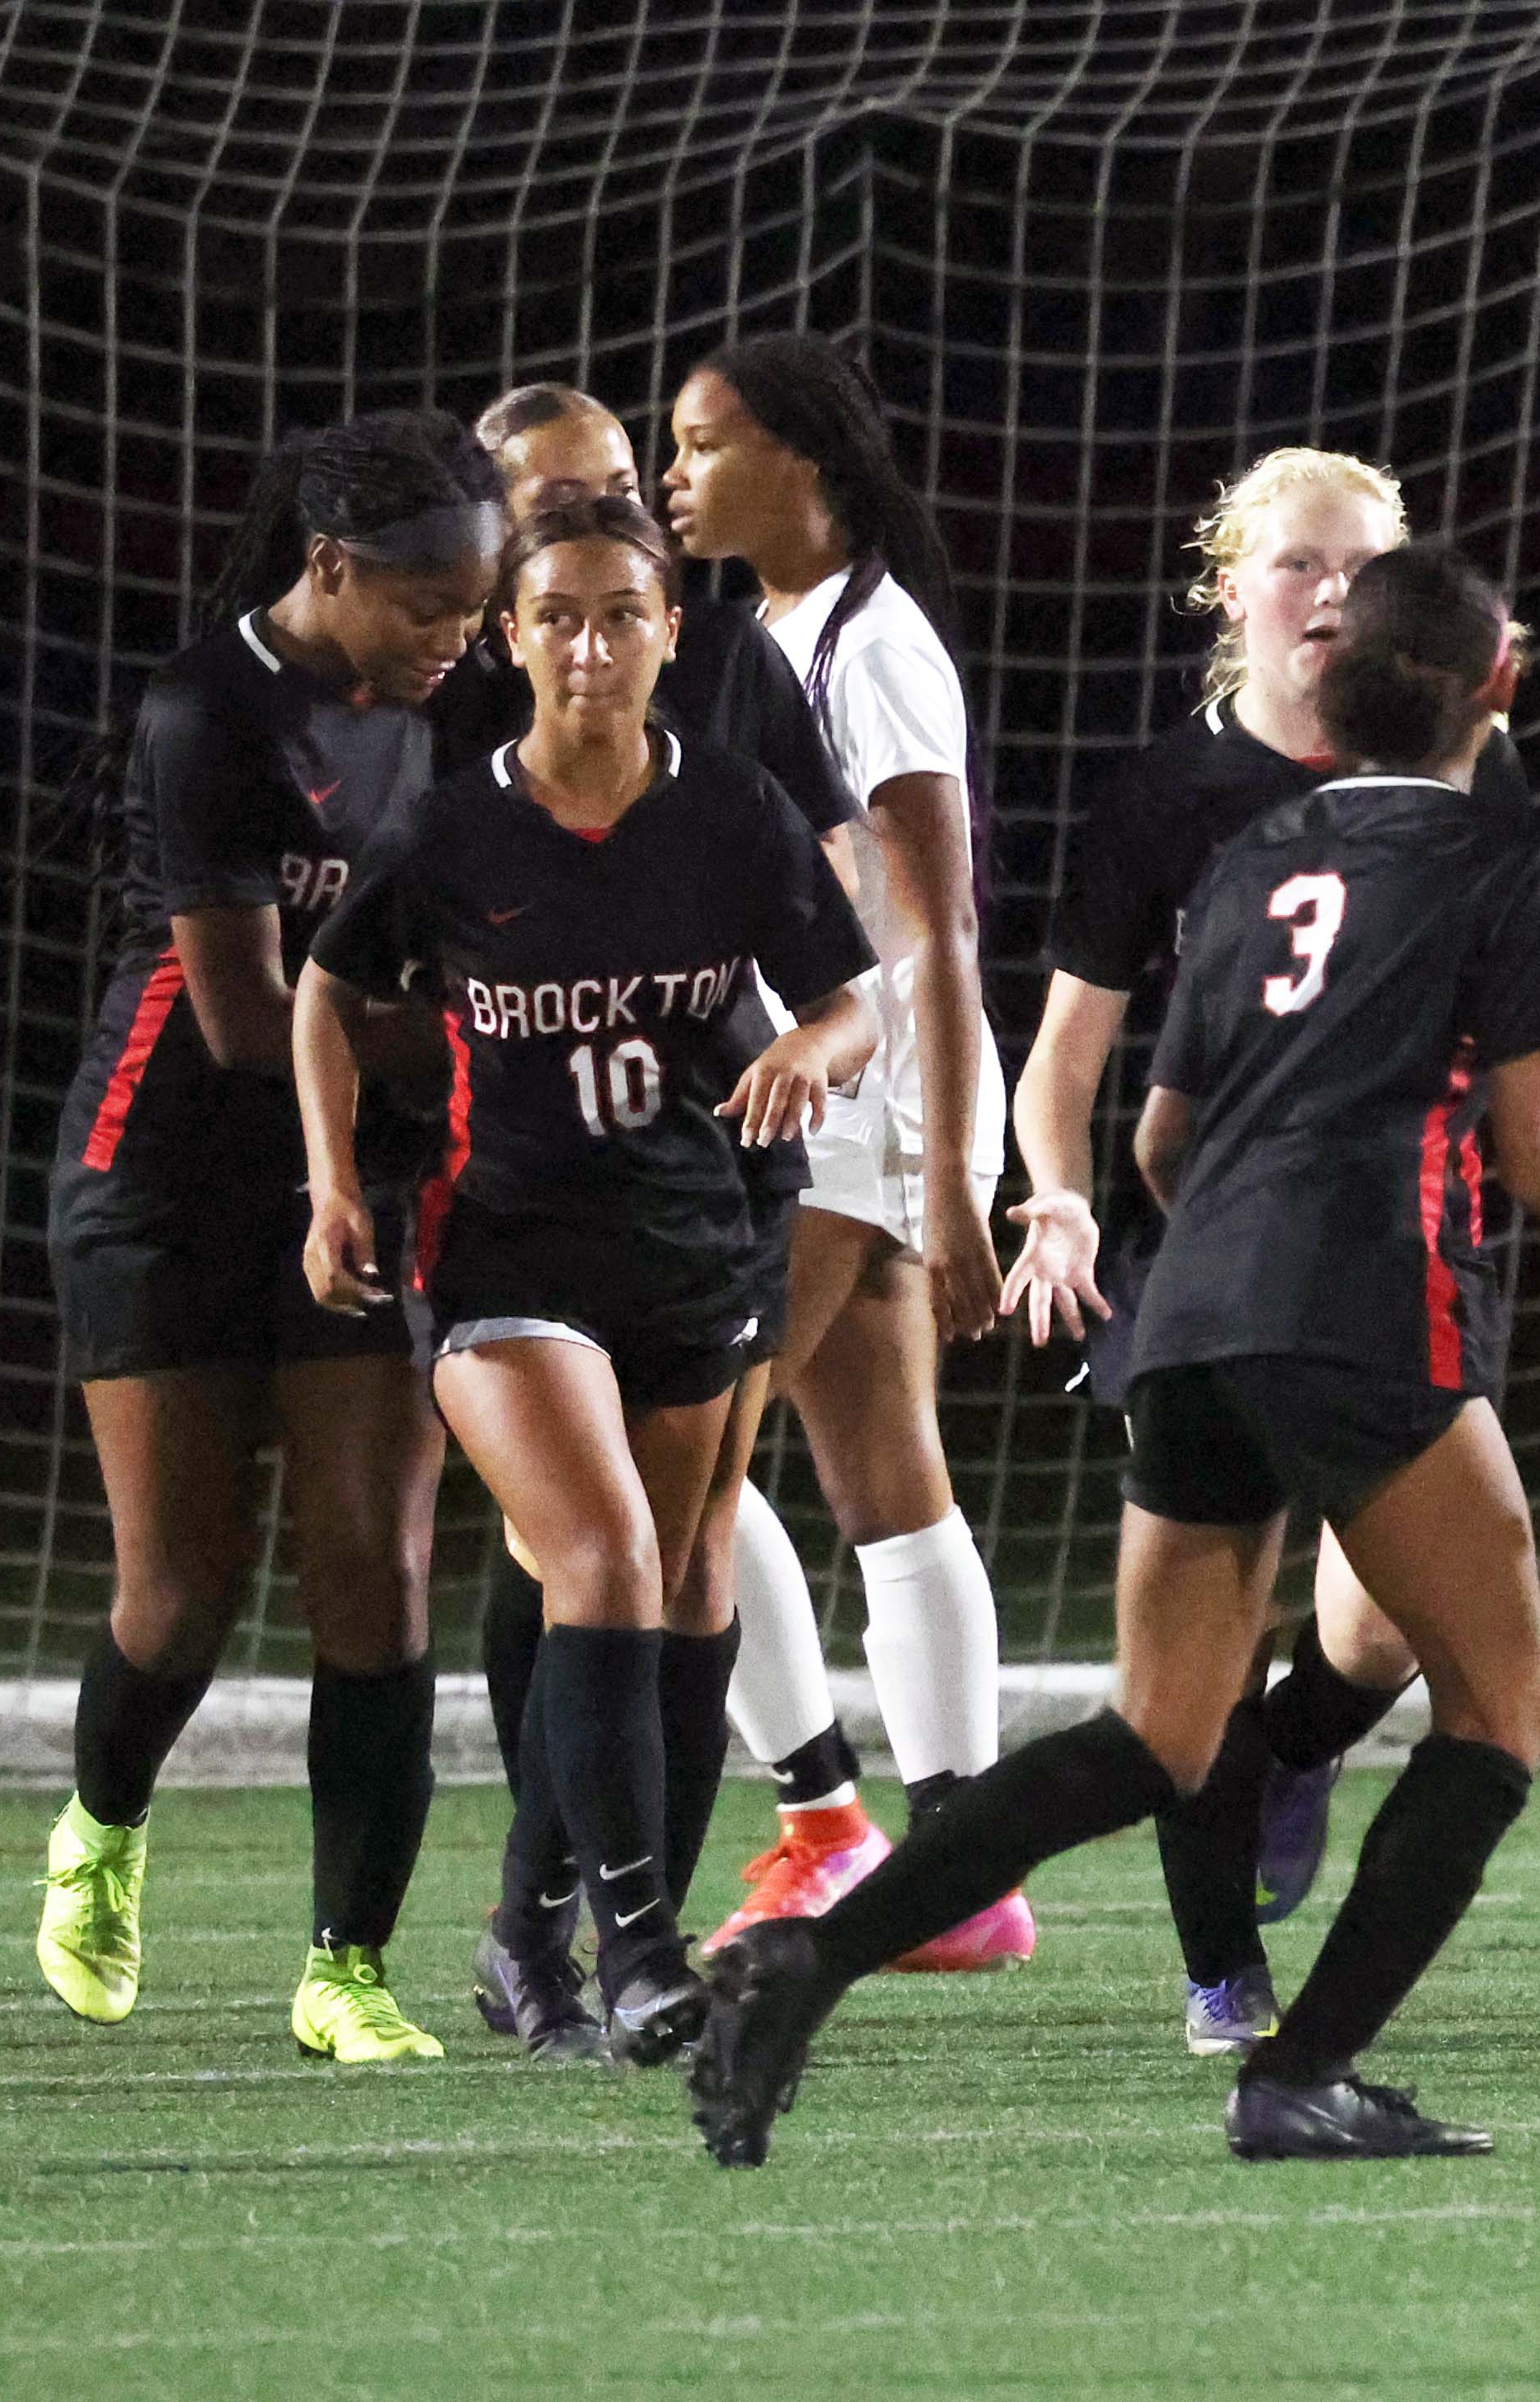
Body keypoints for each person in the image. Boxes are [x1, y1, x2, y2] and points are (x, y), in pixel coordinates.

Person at [693, 546, 1540, 2163]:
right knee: (1502, 1706)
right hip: (1362, 1305)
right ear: (1499, 686)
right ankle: (1301, 2068)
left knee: (1156, 1732)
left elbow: (1159, 1137)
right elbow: (1538, 1147)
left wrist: (1242, 1254)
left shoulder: (1250, 860)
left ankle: (810, 1959)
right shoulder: (1501, 857)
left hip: (1188, 1315)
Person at [1010, 447, 1540, 2056]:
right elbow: (1068, 1058)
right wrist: (1056, 1195)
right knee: (1195, 1666)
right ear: (1231, 585)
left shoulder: (1466, 776)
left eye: (1361, 570)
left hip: (1389, 1255)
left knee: (1378, 1632)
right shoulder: (1167, 795)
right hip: (1208, 1258)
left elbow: (1491, 1001)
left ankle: (1293, 1755)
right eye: (1298, 564)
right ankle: (1222, 1973)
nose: (1330, 596)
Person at [295, 494, 881, 2062]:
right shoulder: (455, 826)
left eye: (623, 613)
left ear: (670, 632)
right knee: (608, 1554)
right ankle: (637, 1952)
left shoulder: (731, 809)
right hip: (499, 1243)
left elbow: (853, 1000)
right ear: (513, 637)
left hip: (684, 1239)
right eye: (557, 615)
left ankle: (524, 1934)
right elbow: (325, 992)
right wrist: (335, 1180)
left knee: (670, 1587)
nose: (592, 645)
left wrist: (812, 1055)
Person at [31, 411, 498, 2064]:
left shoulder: (458, 707)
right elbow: (243, 1018)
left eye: (476, 607)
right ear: (329, 569)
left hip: (363, 1175)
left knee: (376, 1568)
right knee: (182, 1592)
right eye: (428, 606)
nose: (457, 638)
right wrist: (483, 1038)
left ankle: (343, 1969)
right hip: (167, 1177)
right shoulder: (205, 711)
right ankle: (101, 1827)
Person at [435, 382, 861, 2057]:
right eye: (550, 504)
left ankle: (596, 1934)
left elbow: (829, 877)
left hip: (712, 1155)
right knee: (572, 1549)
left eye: (615, 485)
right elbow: (366, 959)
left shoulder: (715, 655)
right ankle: (580, 1935)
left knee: (682, 1558)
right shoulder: (463, 693)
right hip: (520, 1182)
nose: (596, 518)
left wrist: (799, 1031)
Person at [659, 336, 1027, 1973]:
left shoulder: (871, 646)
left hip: (865, 1102)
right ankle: (964, 1866)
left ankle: (825, 1830)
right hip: (850, 1097)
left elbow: (938, 925)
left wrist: (949, 1172)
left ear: (800, 462)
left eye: (703, 445)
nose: (675, 476)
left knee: (684, 1466)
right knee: (883, 1461)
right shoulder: (780, 629)